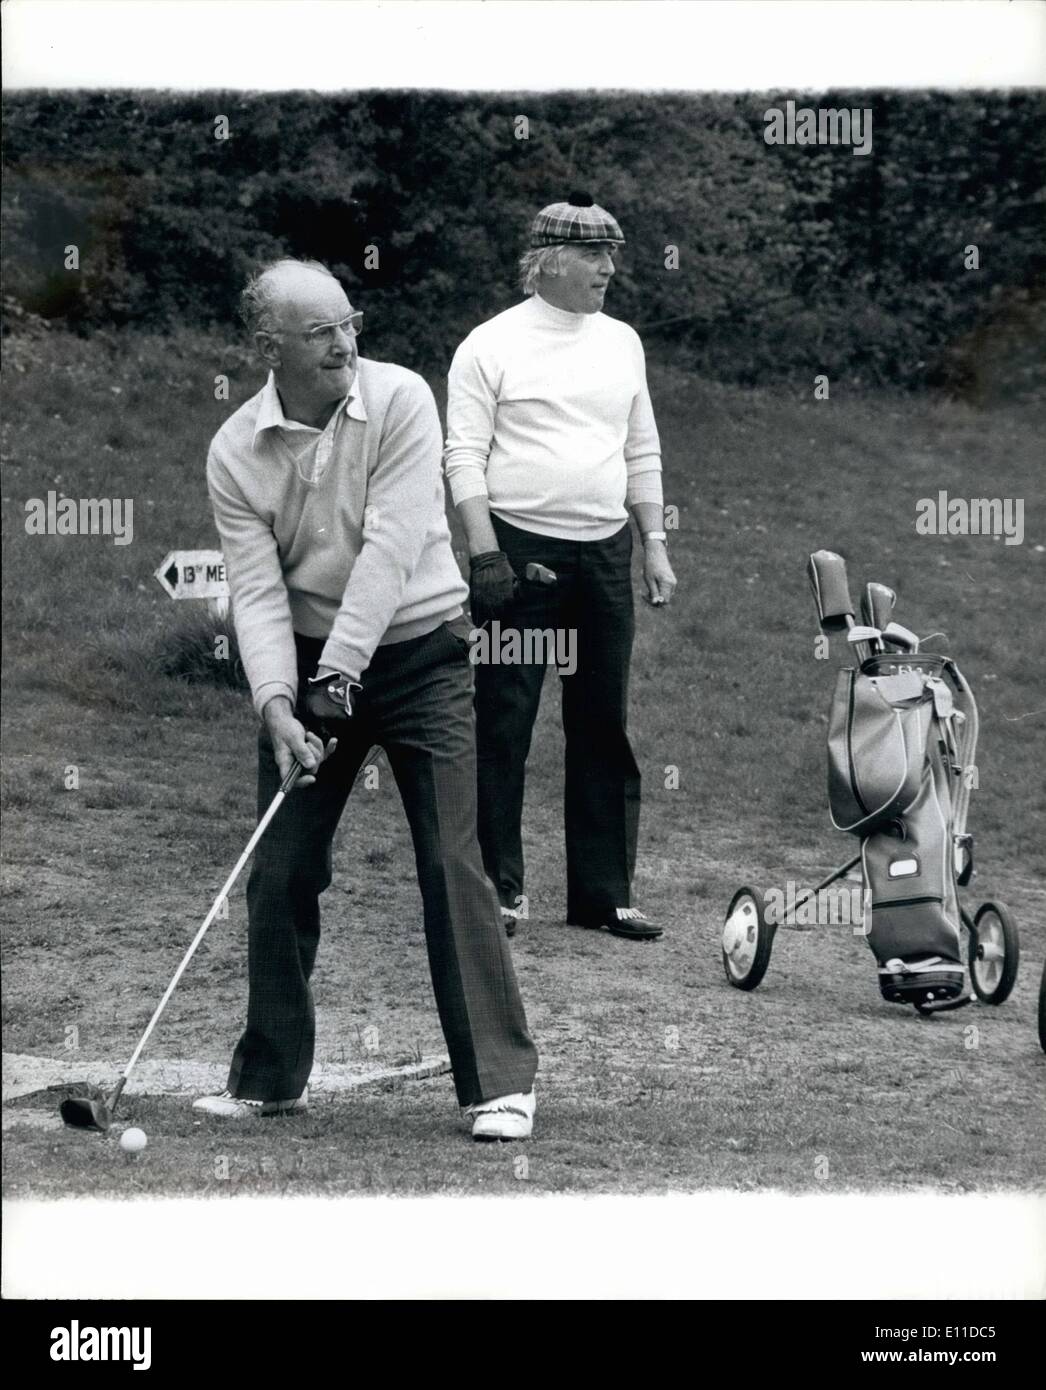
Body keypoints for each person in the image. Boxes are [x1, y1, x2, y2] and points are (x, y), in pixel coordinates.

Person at [194, 257, 537, 1141]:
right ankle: (270, 1078)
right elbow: (258, 593)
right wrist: (278, 703)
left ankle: (499, 1083)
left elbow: (389, 548)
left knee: (452, 860)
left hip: (422, 650)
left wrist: (339, 672)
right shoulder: (236, 450)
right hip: (310, 666)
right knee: (281, 868)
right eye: (321, 332)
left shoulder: (402, 400)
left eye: (351, 323)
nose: (346, 342)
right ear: (270, 349)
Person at [445, 193, 677, 942]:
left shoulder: (622, 343)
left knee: (602, 722)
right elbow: (463, 456)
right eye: (593, 255)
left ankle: (603, 896)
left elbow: (641, 446)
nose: (608, 268)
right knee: (504, 721)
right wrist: (484, 553)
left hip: (606, 555)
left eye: (612, 254)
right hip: (520, 557)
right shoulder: (490, 344)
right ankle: (497, 893)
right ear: (546, 262)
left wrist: (655, 542)